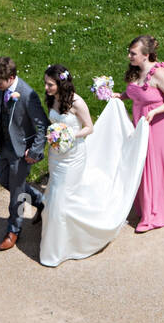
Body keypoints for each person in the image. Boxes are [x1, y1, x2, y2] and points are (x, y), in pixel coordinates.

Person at [37, 65, 144, 266]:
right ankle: (61, 240)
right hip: (56, 156)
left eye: (49, 84)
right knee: (55, 197)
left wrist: (69, 135)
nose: (46, 87)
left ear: (61, 83)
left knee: (61, 200)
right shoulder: (52, 99)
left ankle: (59, 250)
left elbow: (89, 128)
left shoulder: (77, 102)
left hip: (74, 157)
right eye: (45, 83)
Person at [119, 36, 164, 230]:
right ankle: (148, 208)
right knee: (143, 164)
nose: (129, 56)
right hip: (141, 123)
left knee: (154, 165)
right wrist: (121, 96)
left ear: (145, 55)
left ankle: (157, 213)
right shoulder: (136, 71)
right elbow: (138, 93)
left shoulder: (159, 73)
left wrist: (155, 111)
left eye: (133, 53)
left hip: (158, 125)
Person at [0, 56, 48, 251]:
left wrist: (35, 151)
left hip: (22, 151)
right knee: (5, 181)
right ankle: (41, 201)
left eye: (0, 83)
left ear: (11, 77)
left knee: (16, 196)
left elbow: (42, 125)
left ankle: (14, 230)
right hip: (5, 145)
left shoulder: (28, 95)